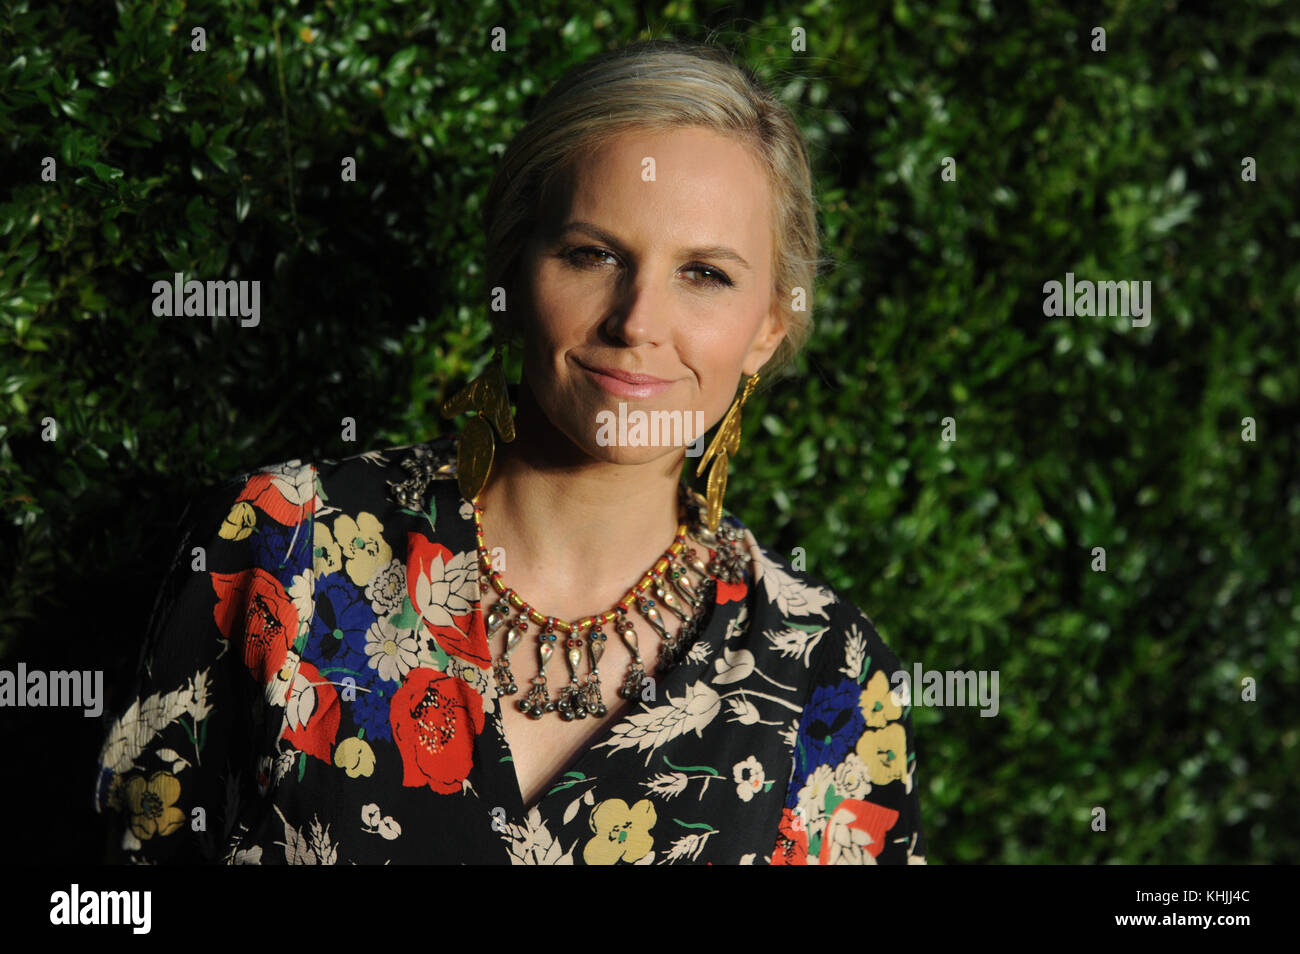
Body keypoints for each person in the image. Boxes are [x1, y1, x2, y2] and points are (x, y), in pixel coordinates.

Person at [93, 37, 927, 865]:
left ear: (768, 330)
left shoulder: (829, 672)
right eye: (592, 255)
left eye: (705, 273)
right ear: (515, 272)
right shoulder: (281, 543)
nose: (636, 321)